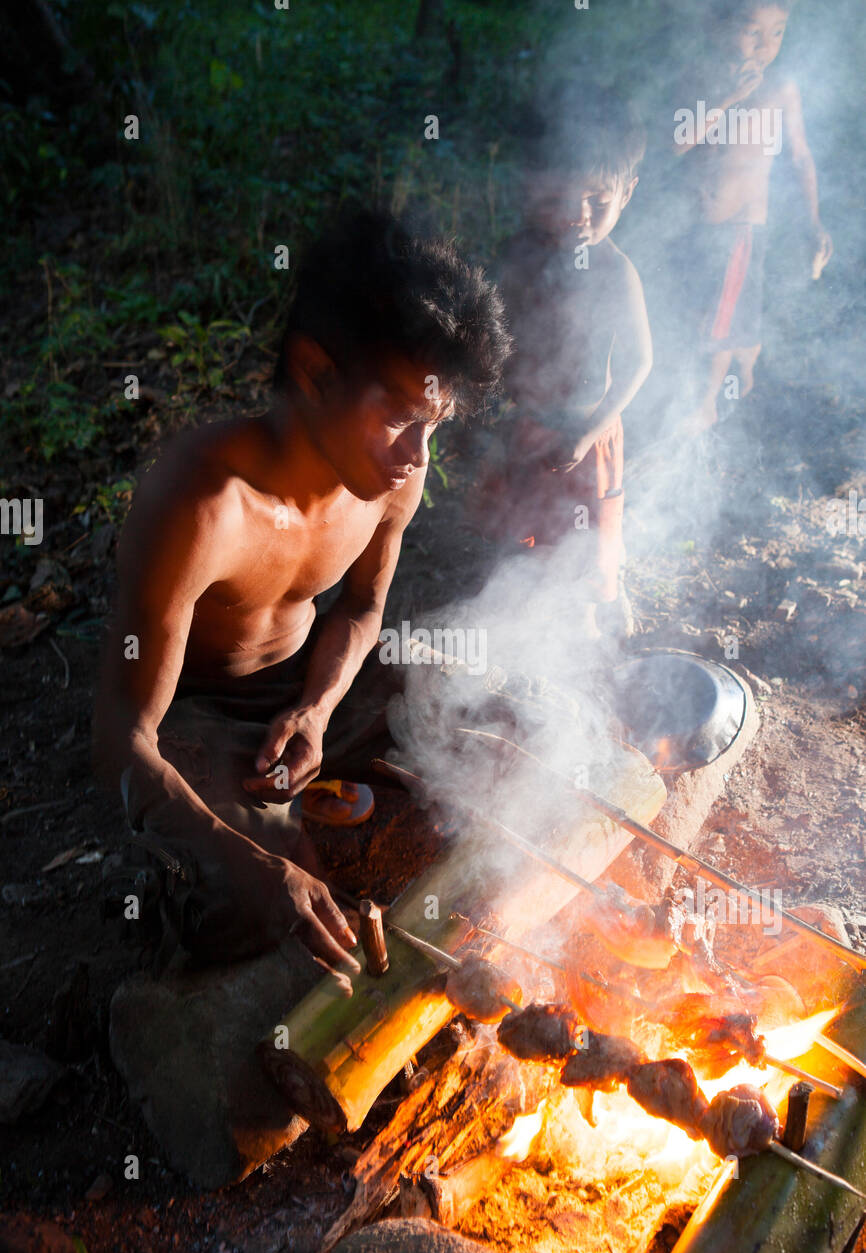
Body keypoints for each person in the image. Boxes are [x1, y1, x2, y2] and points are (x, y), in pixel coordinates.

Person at [93, 209, 509, 984]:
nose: (419, 456)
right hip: (205, 717)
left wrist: (317, 710)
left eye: (435, 426)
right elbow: (121, 733)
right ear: (316, 371)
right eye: (398, 419)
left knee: (498, 737)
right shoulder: (202, 503)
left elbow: (359, 607)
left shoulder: (395, 475)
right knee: (244, 905)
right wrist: (257, 865)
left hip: (317, 688)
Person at [481, 92, 653, 640]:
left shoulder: (614, 272)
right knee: (523, 530)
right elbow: (492, 332)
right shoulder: (518, 256)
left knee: (587, 534)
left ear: (627, 194)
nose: (576, 215)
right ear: (529, 186)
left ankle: (592, 612)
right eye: (558, 196)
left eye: (596, 201)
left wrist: (586, 431)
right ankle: (524, 604)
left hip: (588, 435)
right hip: (524, 423)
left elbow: (639, 363)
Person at [672, 0, 832, 432]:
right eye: (752, 31)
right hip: (696, 224)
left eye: (777, 33)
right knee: (712, 312)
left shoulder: (779, 87)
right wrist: (729, 96)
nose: (765, 45)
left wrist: (813, 222)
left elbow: (800, 157)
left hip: (741, 226)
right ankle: (748, 359)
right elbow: (678, 143)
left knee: (720, 314)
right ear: (718, 28)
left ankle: (706, 405)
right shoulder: (699, 79)